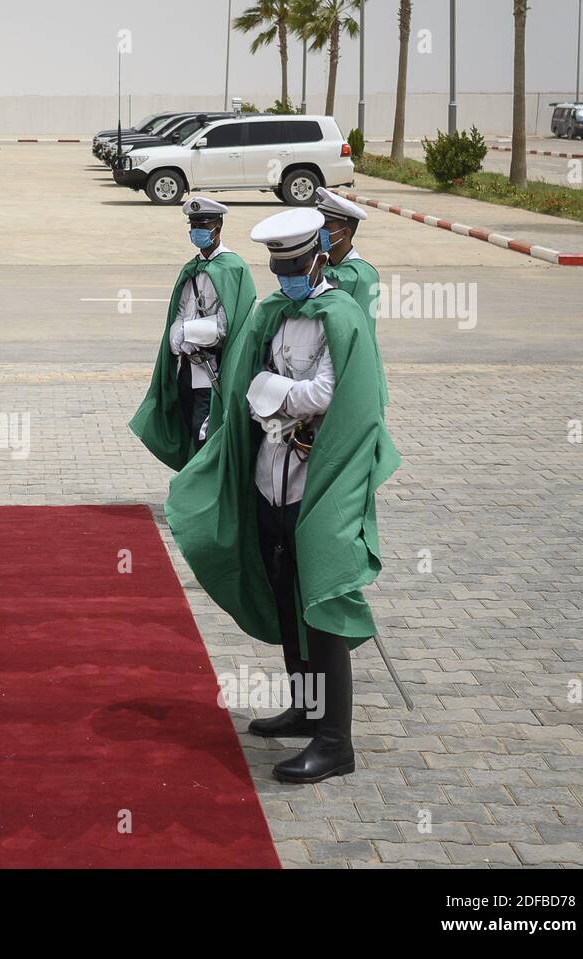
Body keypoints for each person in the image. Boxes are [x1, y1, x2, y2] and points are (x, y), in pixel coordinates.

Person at [165, 208, 398, 784]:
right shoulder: (272, 313)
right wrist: (273, 395)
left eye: (294, 264)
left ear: (318, 255)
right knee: (286, 599)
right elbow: (245, 386)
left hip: (321, 482)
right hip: (271, 475)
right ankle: (305, 708)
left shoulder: (340, 316)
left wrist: (273, 390)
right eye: (278, 266)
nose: (285, 275)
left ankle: (334, 741)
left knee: (320, 603)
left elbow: (329, 394)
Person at [130, 197, 257, 467]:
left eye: (205, 224)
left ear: (218, 227)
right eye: (194, 225)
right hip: (186, 368)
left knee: (205, 435)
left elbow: (226, 324)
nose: (198, 229)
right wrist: (178, 334)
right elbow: (180, 311)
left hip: (213, 370)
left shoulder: (232, 268)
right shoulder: (193, 268)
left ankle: (203, 495)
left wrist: (188, 332)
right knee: (189, 428)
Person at [316, 187, 388, 408]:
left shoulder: (359, 275)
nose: (319, 233)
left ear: (345, 233)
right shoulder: (326, 266)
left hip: (354, 368)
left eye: (326, 227)